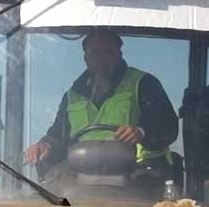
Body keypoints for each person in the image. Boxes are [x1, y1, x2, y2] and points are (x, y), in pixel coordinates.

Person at [23, 30, 178, 175]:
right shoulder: (72, 95)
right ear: (86, 59)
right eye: (94, 54)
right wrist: (45, 146)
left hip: (140, 179)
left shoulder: (144, 84)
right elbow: (58, 136)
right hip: (81, 183)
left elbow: (169, 127)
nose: (102, 60)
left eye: (108, 53)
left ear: (120, 55)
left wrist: (141, 132)